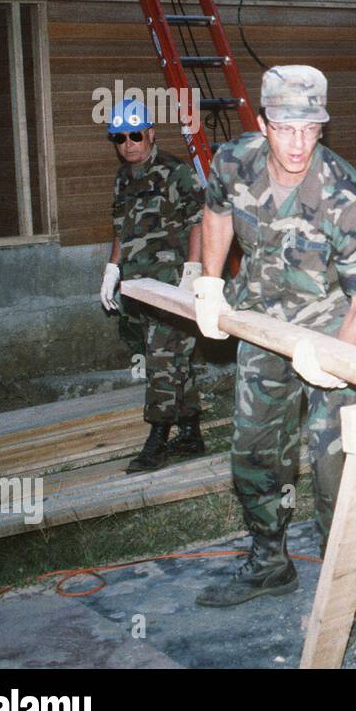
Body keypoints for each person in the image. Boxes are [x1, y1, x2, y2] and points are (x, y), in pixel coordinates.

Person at [190, 66, 356, 646]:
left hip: (331, 331)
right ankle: (270, 560)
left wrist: (332, 358)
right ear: (264, 122)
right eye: (286, 127)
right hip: (261, 324)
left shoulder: (348, 197)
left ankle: (353, 587)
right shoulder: (235, 160)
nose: (298, 143)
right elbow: (217, 211)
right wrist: (208, 282)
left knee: (335, 462)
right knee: (254, 450)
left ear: (323, 124)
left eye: (311, 128)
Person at [100, 98, 205, 473]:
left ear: (149, 133)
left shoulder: (175, 172)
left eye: (134, 135)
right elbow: (120, 229)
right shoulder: (123, 178)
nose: (127, 143)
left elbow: (199, 221)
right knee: (173, 358)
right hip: (138, 286)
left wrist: (193, 271)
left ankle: (157, 441)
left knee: (161, 361)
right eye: (118, 137)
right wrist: (112, 270)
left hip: (173, 284)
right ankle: (191, 433)